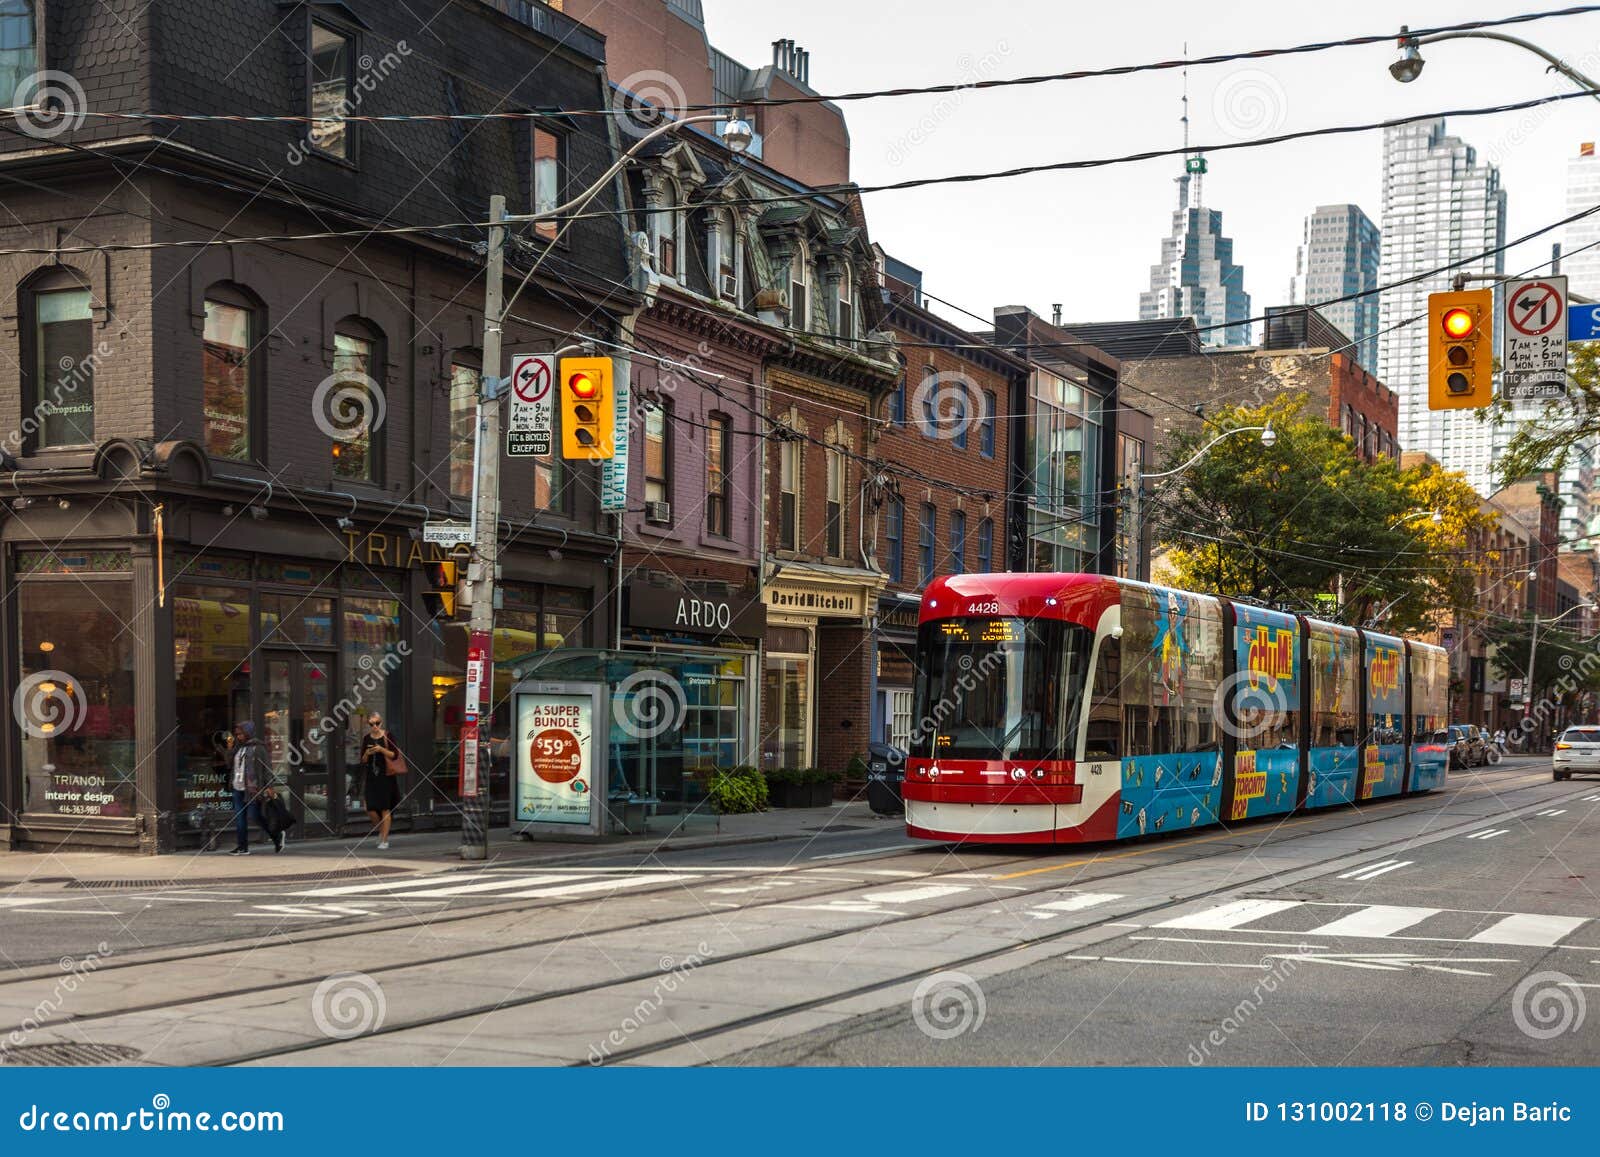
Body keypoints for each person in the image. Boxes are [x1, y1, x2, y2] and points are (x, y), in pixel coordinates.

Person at [227, 721, 280, 855]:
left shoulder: (259, 748)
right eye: (237, 734)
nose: (238, 736)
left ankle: (276, 834)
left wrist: (270, 786)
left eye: (240, 734)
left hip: (252, 789)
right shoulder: (238, 747)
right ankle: (242, 847)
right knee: (240, 818)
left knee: (254, 816)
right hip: (237, 787)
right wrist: (229, 748)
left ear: (248, 733)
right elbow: (229, 764)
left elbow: (267, 768)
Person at [360, 713, 401, 851]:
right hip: (372, 777)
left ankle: (384, 839)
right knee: (369, 808)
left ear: (381, 723)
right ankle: (382, 831)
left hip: (386, 776)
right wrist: (368, 753)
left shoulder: (388, 736)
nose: (375, 726)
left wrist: (381, 749)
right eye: (371, 724)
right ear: (369, 725)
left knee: (385, 808)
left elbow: (394, 755)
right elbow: (363, 760)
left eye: (377, 723)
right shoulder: (366, 738)